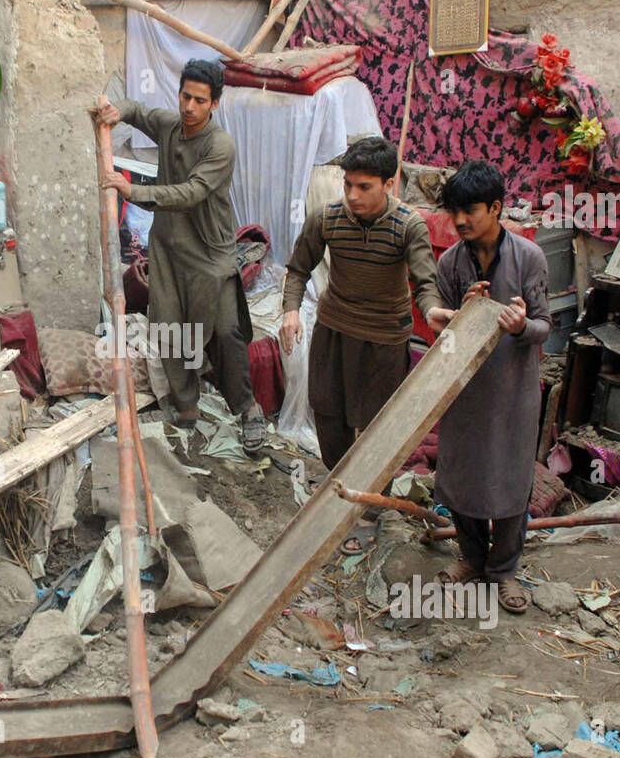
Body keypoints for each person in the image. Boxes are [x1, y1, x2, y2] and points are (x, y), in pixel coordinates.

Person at [93, 58, 266, 456]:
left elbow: (190, 193)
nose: (189, 106)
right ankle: (187, 407)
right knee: (170, 328)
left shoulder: (220, 146)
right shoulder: (171, 124)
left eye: (200, 100)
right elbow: (140, 112)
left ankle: (247, 409)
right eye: (185, 96)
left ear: (215, 104)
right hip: (168, 249)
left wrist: (134, 191)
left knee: (225, 331)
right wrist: (120, 110)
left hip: (209, 252)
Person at [426, 160, 551, 615]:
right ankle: (471, 559)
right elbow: (439, 322)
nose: (460, 222)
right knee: (461, 476)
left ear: (497, 208)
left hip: (512, 389)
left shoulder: (529, 258)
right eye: (453, 212)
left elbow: (545, 326)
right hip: (464, 389)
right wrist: (457, 314)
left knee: (510, 478)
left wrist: (520, 326)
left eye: (470, 212)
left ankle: (504, 571)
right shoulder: (450, 262)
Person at [279, 136, 443, 471]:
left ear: (388, 184)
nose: (353, 196)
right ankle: (338, 491)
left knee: (378, 426)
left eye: (364, 187)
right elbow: (297, 269)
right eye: (348, 184)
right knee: (328, 415)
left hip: (383, 341)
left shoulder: (409, 226)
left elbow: (425, 283)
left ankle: (372, 500)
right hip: (334, 331)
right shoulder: (327, 219)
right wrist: (291, 311)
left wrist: (431, 310)